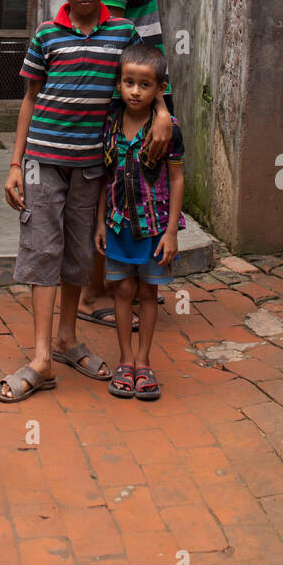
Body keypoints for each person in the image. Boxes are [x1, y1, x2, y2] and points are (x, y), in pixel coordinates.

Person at [0, 0, 141, 402]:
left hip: (92, 167)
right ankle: (41, 356)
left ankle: (67, 338)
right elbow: (30, 100)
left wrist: (158, 115)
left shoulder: (123, 35)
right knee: (42, 249)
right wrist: (15, 164)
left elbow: (150, 83)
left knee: (79, 252)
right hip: (42, 162)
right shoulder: (46, 36)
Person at [80, 0, 173, 327]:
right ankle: (95, 294)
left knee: (134, 183)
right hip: (128, 99)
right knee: (114, 187)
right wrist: (155, 107)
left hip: (141, 93)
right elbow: (117, 43)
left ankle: (121, 284)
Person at [95, 43, 185, 401]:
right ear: (119, 84)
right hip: (117, 225)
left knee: (148, 292)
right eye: (128, 82)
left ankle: (144, 361)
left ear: (159, 89)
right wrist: (100, 223)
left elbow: (177, 180)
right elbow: (105, 176)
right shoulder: (110, 123)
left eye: (144, 85)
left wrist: (172, 232)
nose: (135, 91)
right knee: (122, 290)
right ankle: (125, 359)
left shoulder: (168, 129)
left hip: (153, 228)